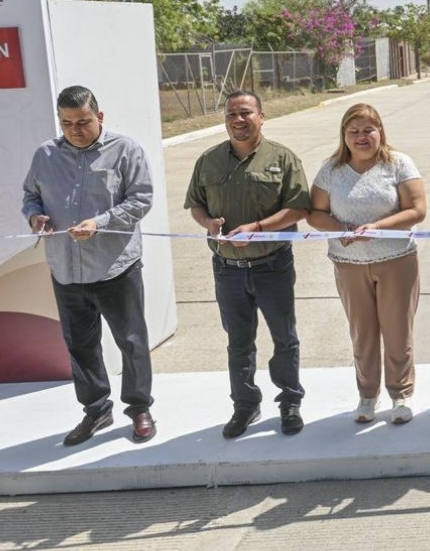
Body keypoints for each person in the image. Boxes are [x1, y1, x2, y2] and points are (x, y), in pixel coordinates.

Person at [22, 86, 157, 447]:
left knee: (131, 342)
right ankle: (96, 409)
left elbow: (142, 199)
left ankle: (140, 408)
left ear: (99, 117)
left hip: (115, 268)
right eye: (66, 123)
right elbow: (30, 195)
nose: (75, 130)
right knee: (81, 345)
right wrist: (35, 217)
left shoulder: (125, 150)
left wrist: (101, 222)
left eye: (82, 122)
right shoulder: (45, 155)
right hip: (65, 269)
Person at [185, 89, 310, 438]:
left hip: (272, 266)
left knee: (284, 337)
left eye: (245, 113)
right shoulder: (208, 161)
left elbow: (300, 208)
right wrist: (207, 223)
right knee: (238, 341)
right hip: (228, 270)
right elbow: (196, 204)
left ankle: (289, 401)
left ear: (261, 116)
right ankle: (245, 406)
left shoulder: (282, 159)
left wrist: (258, 229)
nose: (238, 120)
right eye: (231, 115)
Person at [307, 103, 427, 425]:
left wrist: (377, 228)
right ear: (344, 135)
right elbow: (315, 214)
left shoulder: (398, 163)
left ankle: (401, 394)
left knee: (398, 332)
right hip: (349, 264)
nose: (361, 137)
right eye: (354, 131)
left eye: (368, 130)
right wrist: (341, 230)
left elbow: (416, 209)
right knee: (363, 333)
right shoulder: (330, 170)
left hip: (396, 262)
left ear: (380, 132)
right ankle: (367, 395)